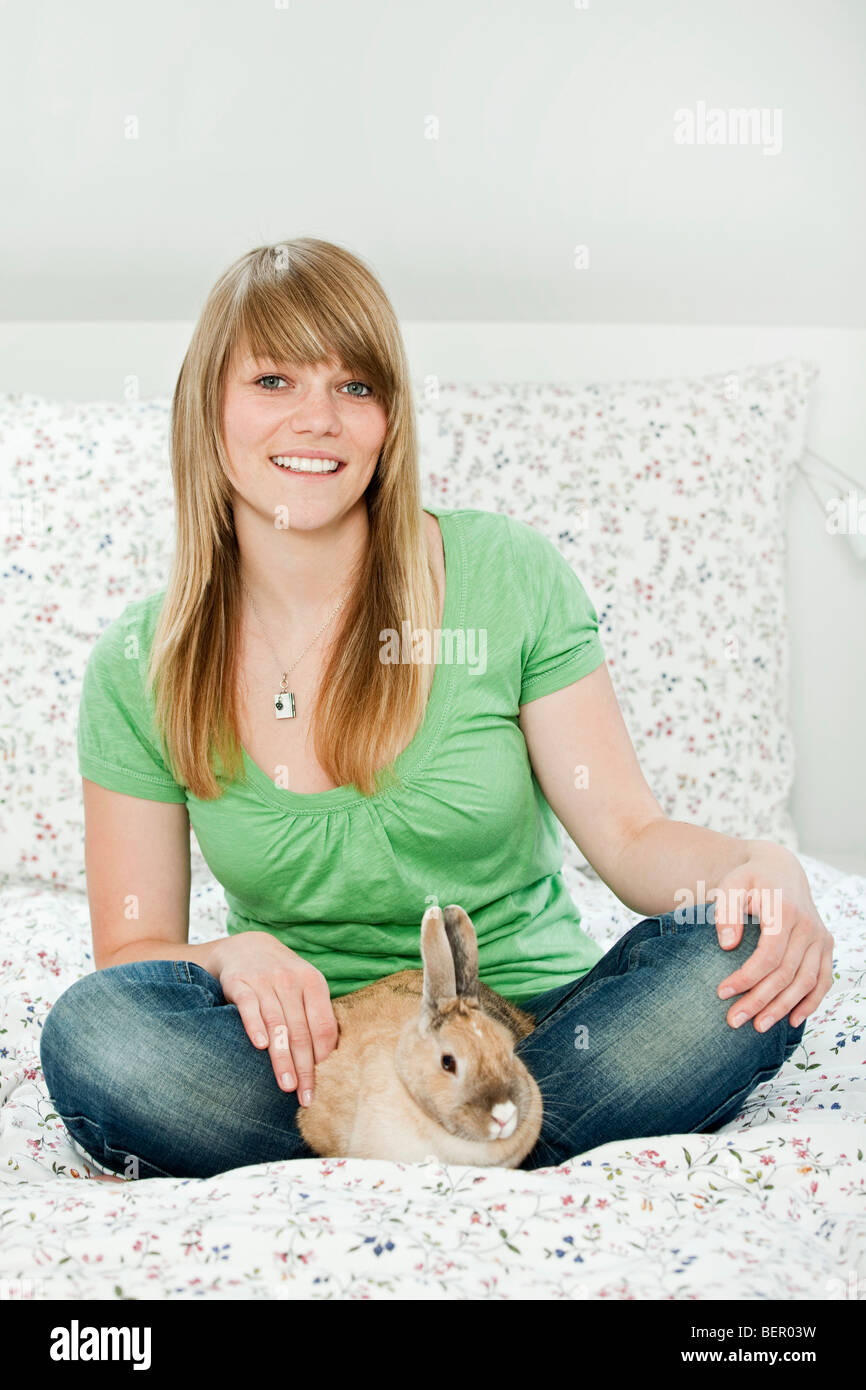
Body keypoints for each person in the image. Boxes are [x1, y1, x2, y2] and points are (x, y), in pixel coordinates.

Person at [39, 238, 832, 1180]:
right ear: (207, 410)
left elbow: (629, 836)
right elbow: (134, 952)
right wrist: (228, 956)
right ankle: (472, 1138)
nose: (318, 419)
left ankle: (412, 1144)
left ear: (390, 420)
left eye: (356, 387)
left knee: (729, 963)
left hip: (539, 1033)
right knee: (100, 1038)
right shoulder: (140, 662)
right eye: (274, 379)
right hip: (311, 1063)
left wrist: (754, 867)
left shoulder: (506, 574)